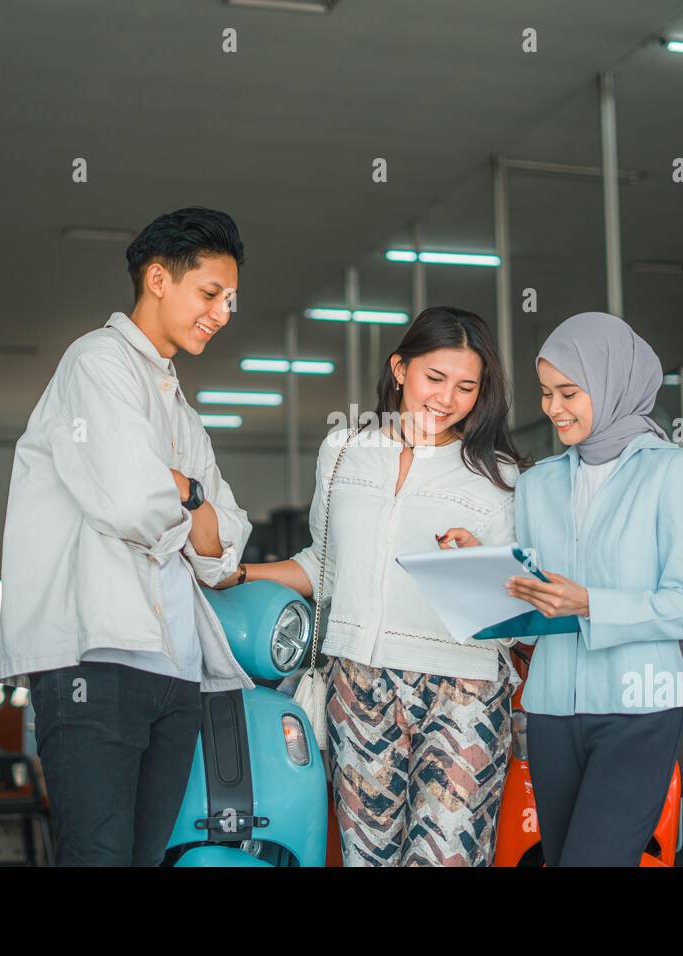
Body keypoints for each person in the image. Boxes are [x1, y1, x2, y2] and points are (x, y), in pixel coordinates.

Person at [0, 207, 254, 866]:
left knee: (144, 859)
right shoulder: (96, 364)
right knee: (98, 856)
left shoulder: (181, 410)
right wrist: (186, 503)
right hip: (97, 661)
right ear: (158, 279)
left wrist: (184, 489)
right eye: (209, 294)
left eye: (229, 299)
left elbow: (224, 553)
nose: (222, 312)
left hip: (177, 672)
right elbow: (134, 506)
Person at [231, 306, 529, 866]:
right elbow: (322, 563)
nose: (446, 399)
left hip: (462, 686)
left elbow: (516, 597)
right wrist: (239, 574)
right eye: (433, 379)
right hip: (358, 683)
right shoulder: (344, 451)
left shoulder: (502, 476)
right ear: (400, 369)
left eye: (467, 387)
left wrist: (481, 563)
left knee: (446, 859)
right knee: (368, 858)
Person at [505, 311, 683, 867]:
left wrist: (591, 604)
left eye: (569, 392)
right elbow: (528, 591)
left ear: (611, 384)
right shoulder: (536, 483)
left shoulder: (673, 472)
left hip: (639, 709)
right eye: (546, 393)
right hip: (550, 710)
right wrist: (475, 559)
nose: (553, 408)